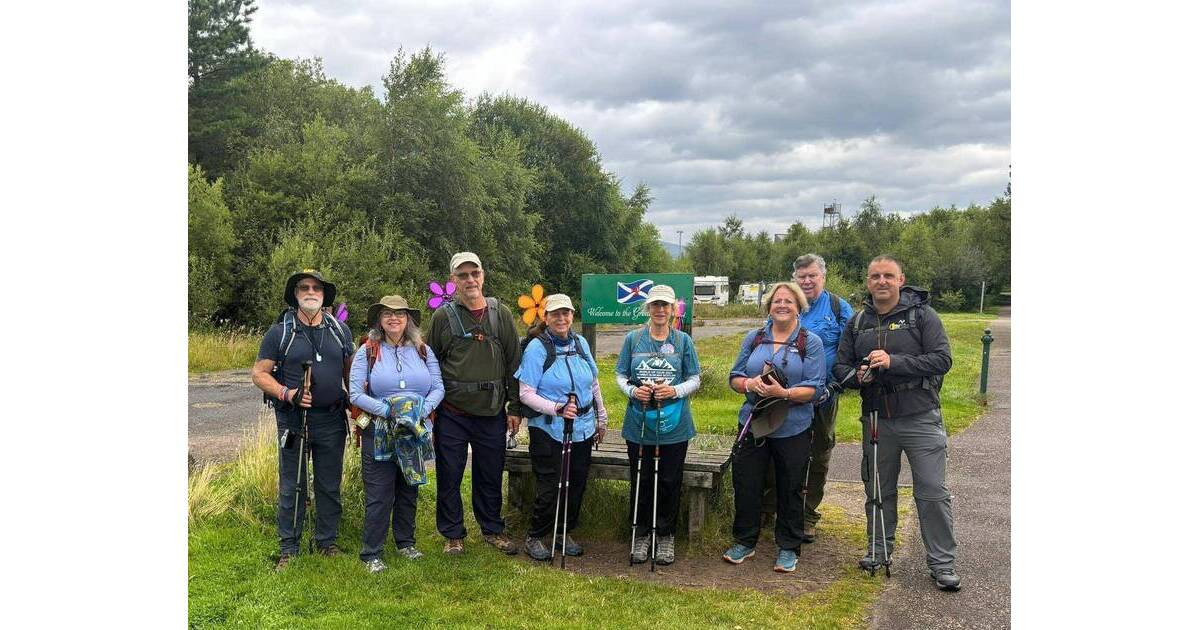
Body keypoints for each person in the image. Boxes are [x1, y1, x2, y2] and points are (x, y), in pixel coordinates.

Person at [833, 255, 960, 591]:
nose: (882, 281)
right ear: (868, 281)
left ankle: (942, 564)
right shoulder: (858, 322)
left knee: (932, 492)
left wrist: (893, 362)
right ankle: (878, 551)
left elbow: (942, 359)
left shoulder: (922, 316)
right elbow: (840, 367)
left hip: (920, 416)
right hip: (876, 418)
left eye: (888, 276)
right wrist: (857, 376)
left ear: (901, 280)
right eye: (875, 276)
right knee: (877, 489)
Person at [251, 269, 355, 571]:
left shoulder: (339, 331)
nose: (311, 292)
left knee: (329, 483)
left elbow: (350, 372)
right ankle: (289, 547)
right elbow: (259, 374)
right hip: (293, 420)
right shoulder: (280, 332)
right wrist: (287, 393)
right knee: (292, 483)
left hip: (332, 419)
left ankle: (326, 542)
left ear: (324, 295)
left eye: (316, 288)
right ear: (295, 294)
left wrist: (357, 402)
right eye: (304, 287)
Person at [724, 282, 825, 573]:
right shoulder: (754, 338)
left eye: (788, 301)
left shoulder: (810, 342)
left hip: (793, 425)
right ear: (769, 307)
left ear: (799, 307)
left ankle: (789, 546)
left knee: (790, 486)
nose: (782, 305)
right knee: (747, 483)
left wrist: (784, 393)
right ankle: (744, 541)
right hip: (753, 422)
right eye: (777, 301)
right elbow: (735, 377)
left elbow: (816, 388)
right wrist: (750, 383)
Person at [428, 252, 523, 555]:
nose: (470, 280)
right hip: (452, 413)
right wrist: (430, 408)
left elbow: (514, 361)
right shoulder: (442, 317)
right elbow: (430, 362)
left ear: (483, 276)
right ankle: (453, 534)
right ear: (453, 280)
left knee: (490, 473)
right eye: (463, 275)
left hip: (492, 411)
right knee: (449, 474)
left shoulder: (500, 313)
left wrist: (515, 406)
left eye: (475, 273)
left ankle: (492, 529)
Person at [349, 295, 444, 573]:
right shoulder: (367, 351)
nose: (394, 318)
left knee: (408, 488)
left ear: (408, 319)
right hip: (379, 431)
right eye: (388, 313)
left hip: (413, 431)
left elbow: (438, 387)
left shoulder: (423, 350)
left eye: (400, 313)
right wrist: (390, 411)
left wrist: (421, 410)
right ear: (379, 319)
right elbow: (355, 394)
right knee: (379, 493)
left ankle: (405, 543)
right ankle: (371, 553)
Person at [514, 294, 609, 561]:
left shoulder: (580, 343)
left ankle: (563, 531)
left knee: (576, 483)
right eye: (555, 314)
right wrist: (556, 408)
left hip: (583, 426)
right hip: (548, 428)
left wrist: (601, 416)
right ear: (545, 317)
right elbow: (525, 393)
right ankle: (535, 536)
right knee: (550, 485)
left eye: (566, 313)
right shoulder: (537, 348)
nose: (561, 318)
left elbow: (593, 382)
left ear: (572, 316)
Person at [615, 284, 701, 566]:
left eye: (665, 305)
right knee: (641, 480)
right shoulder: (633, 339)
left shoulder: (683, 341)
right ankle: (640, 534)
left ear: (673, 309)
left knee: (669, 481)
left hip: (675, 425)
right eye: (655, 305)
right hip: (638, 423)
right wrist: (633, 391)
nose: (660, 310)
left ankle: (665, 535)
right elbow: (620, 375)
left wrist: (674, 390)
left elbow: (694, 379)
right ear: (648, 308)